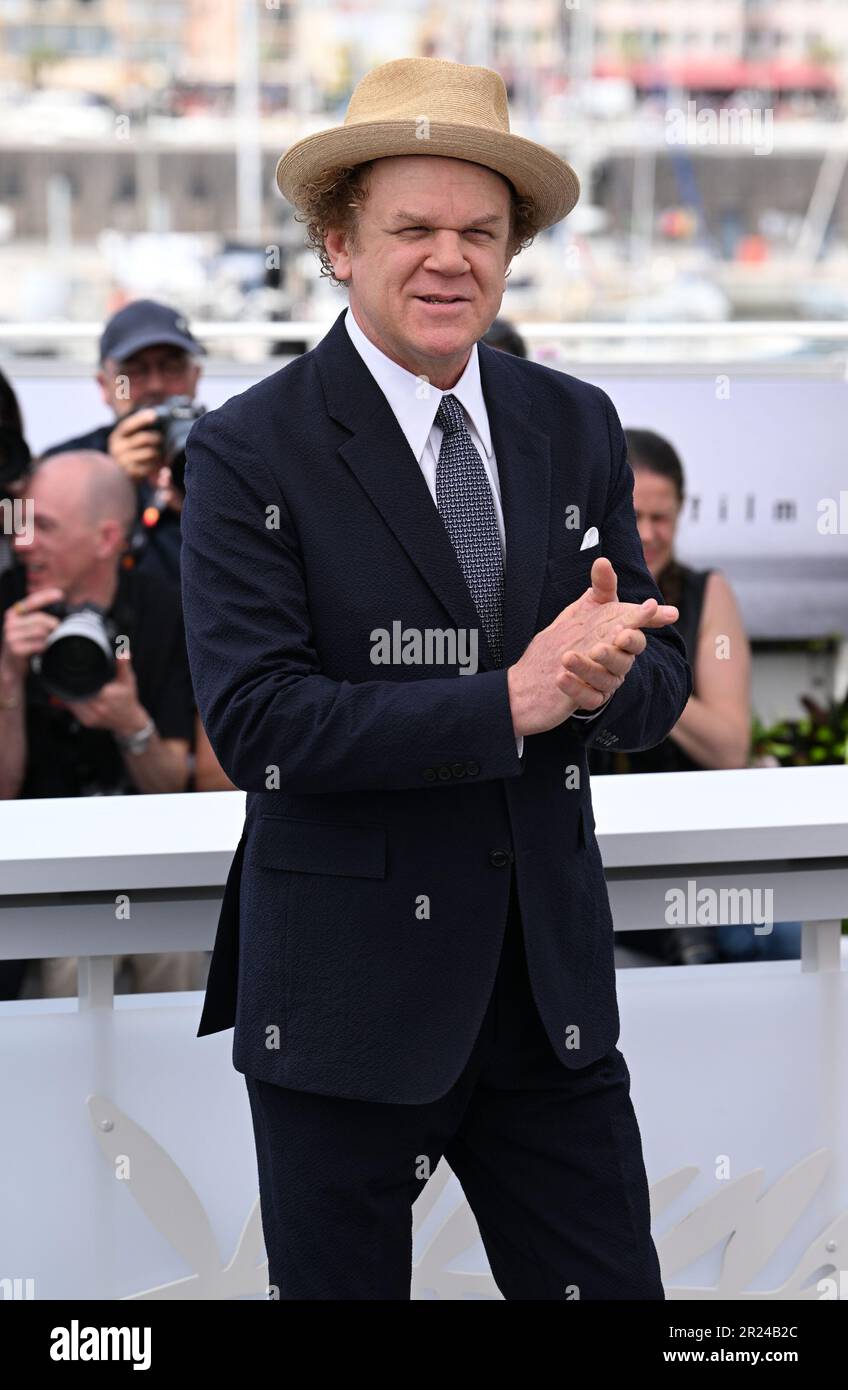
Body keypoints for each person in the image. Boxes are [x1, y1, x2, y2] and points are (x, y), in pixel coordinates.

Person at [180, 57, 692, 1300]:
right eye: (411, 228)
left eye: (478, 231)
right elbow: (258, 722)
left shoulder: (572, 421)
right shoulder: (248, 448)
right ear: (338, 243)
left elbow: (650, 671)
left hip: (546, 997)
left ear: (511, 249)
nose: (447, 258)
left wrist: (601, 681)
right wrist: (509, 700)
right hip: (345, 1000)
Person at [589, 429, 798, 966]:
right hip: (592, 851)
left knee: (777, 939)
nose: (651, 534)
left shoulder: (708, 592)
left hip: (692, 855)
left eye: (664, 518)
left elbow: (729, 747)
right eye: (635, 517)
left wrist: (641, 659)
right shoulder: (575, 593)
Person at [0, 450, 206, 996]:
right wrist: (7, 681)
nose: (22, 544)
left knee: (178, 957)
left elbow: (170, 787)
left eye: (43, 527)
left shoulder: (166, 613)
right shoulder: (7, 607)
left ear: (107, 539)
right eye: (21, 523)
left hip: (148, 860)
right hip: (34, 869)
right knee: (66, 969)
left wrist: (130, 723)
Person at [41, 300, 205, 585]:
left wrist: (202, 505)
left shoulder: (228, 454)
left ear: (195, 377)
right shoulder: (63, 467)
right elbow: (42, 567)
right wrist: (109, 483)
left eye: (171, 368)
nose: (155, 385)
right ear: (105, 386)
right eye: (135, 371)